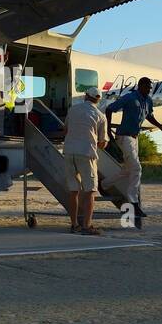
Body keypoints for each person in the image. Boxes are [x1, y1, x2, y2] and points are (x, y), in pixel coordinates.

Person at [103, 77, 162, 222]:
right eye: (148, 87)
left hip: (135, 138)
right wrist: (107, 129)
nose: (149, 90)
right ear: (140, 86)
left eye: (151, 88)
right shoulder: (130, 97)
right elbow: (109, 109)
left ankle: (105, 184)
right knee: (137, 168)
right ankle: (133, 203)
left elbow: (149, 116)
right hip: (124, 137)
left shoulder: (148, 100)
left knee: (128, 170)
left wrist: (160, 125)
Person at [62, 86, 109, 235]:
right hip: (86, 153)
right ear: (98, 99)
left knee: (73, 191)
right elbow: (103, 142)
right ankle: (87, 226)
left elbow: (66, 130)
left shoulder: (73, 110)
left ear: (85, 96)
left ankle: (74, 224)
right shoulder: (100, 116)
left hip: (69, 152)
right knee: (89, 191)